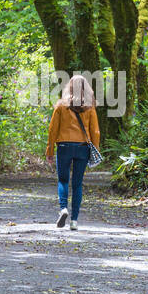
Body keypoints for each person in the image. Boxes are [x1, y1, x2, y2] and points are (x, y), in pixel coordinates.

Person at [44, 74, 100, 230]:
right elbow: (95, 131)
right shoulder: (89, 107)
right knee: (77, 184)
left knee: (63, 180)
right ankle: (74, 221)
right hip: (82, 147)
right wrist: (95, 150)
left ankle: (63, 208)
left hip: (64, 147)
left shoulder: (61, 105)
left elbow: (52, 129)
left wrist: (49, 149)